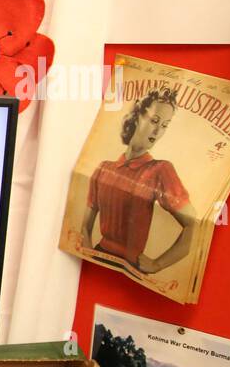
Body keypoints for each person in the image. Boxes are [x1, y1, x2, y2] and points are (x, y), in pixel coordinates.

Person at [81, 88, 196, 277]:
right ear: (137, 116)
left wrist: (157, 264)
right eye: (155, 120)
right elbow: (85, 226)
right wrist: (87, 251)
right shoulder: (103, 168)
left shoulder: (161, 169)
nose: (158, 131)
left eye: (165, 125)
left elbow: (194, 225)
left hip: (132, 270)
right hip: (97, 261)